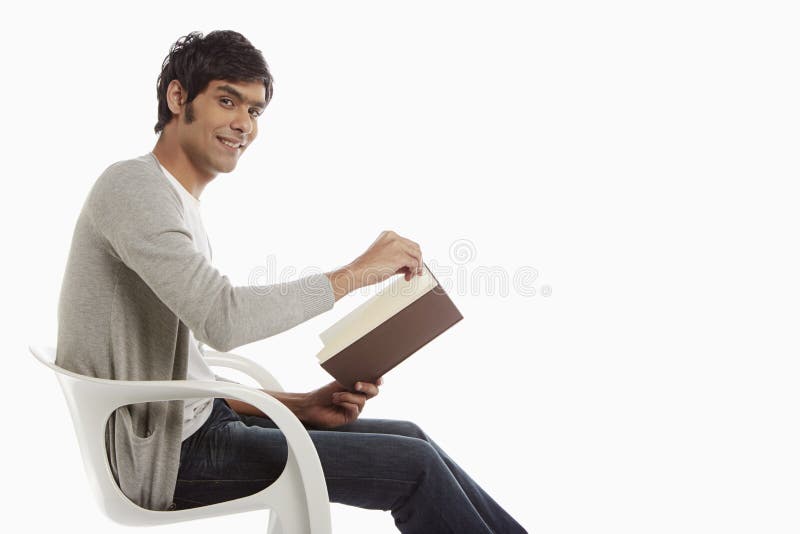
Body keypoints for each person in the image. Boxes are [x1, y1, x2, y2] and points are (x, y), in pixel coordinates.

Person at [56, 30, 526, 533]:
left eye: (254, 110)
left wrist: (302, 405)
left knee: (412, 438)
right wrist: (356, 273)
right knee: (414, 468)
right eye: (227, 100)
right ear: (178, 97)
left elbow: (188, 377)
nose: (243, 124)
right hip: (170, 458)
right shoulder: (134, 189)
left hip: (198, 425)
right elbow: (222, 319)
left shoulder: (173, 201)